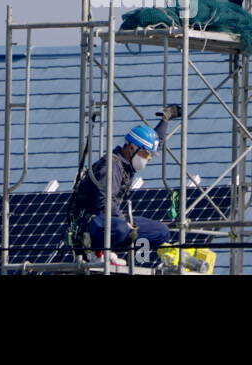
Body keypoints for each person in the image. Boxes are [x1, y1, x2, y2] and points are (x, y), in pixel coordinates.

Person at [70, 105, 181, 266]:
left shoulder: (127, 163)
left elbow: (156, 141)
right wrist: (125, 223)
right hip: (92, 224)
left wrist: (165, 119)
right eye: (145, 154)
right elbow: (104, 204)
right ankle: (96, 251)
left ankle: (131, 254)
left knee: (161, 232)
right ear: (131, 147)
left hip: (112, 220)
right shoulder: (111, 167)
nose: (147, 159)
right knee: (121, 229)